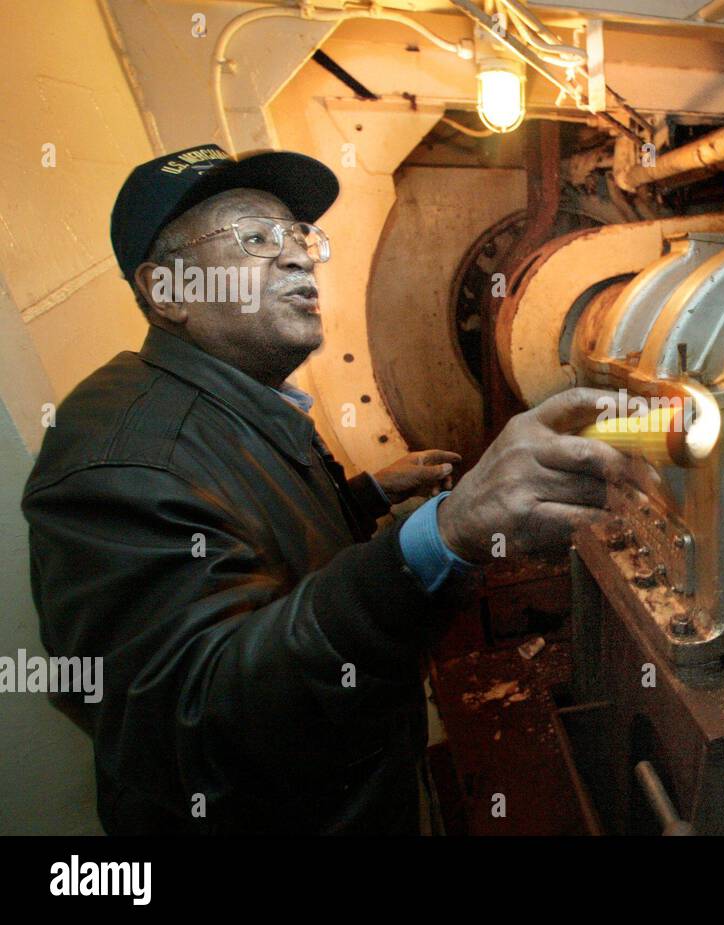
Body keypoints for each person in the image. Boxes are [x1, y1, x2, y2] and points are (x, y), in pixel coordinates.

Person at [21, 144, 630, 834]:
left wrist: (367, 495)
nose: (298, 256)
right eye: (254, 237)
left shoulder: (232, 398)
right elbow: (197, 732)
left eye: (300, 235)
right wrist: (443, 532)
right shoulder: (120, 464)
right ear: (168, 292)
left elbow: (262, 554)